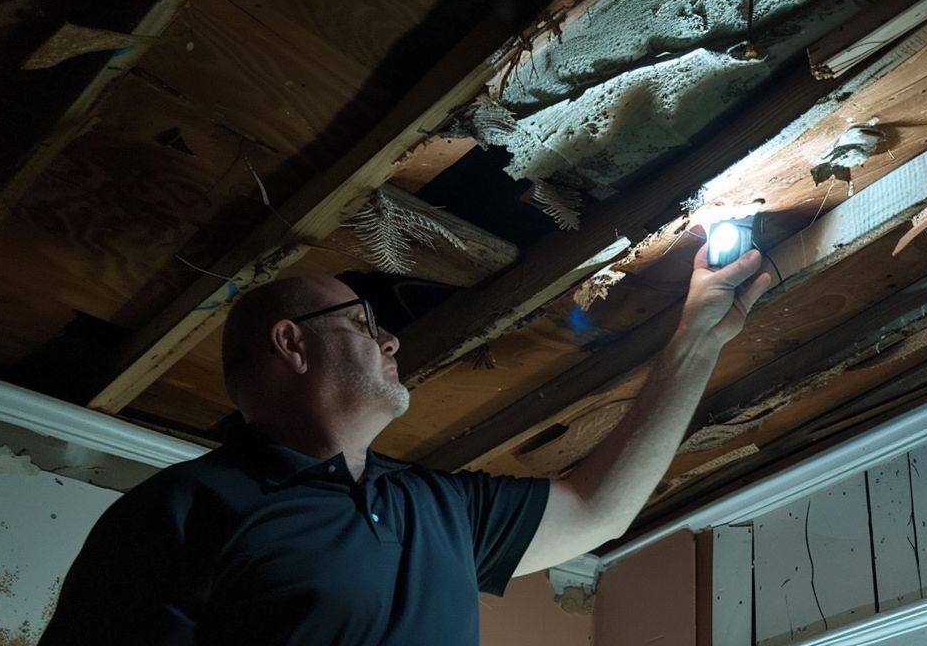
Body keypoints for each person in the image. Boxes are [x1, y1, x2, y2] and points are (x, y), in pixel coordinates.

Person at [38, 238, 772, 645]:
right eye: (359, 324)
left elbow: (597, 509)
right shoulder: (179, 514)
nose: (389, 338)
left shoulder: (436, 506)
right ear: (290, 344)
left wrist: (698, 338)